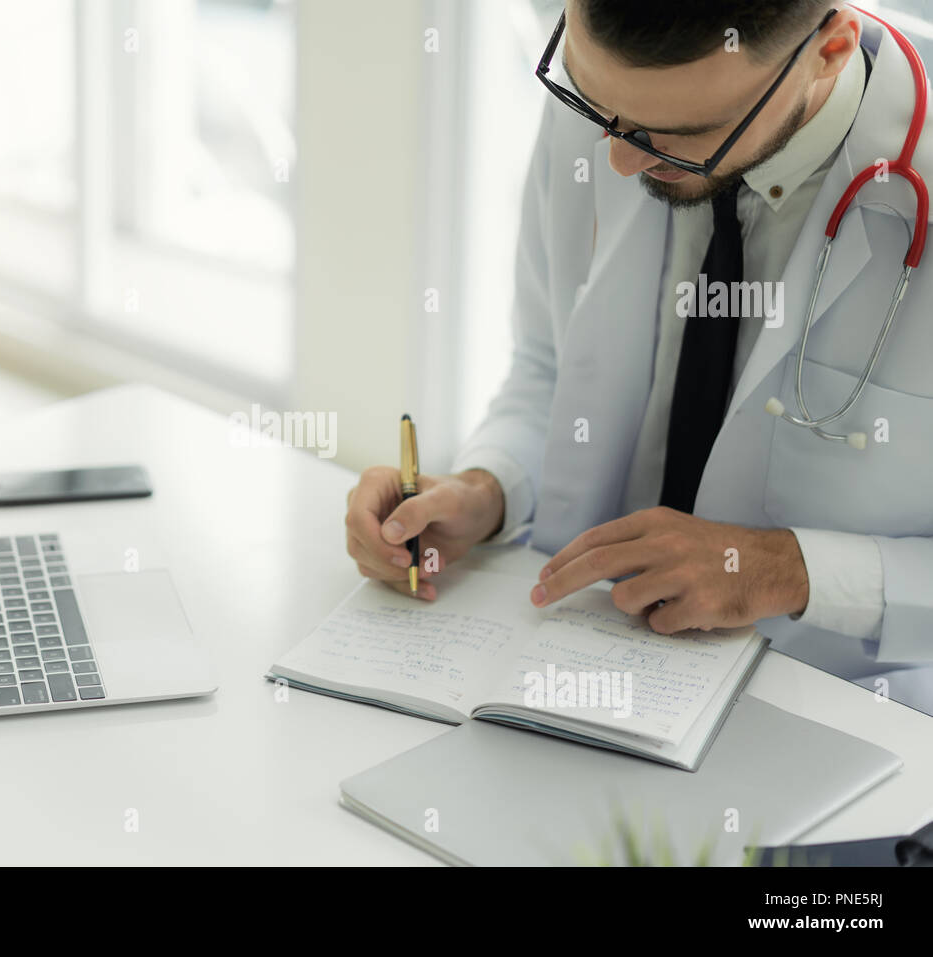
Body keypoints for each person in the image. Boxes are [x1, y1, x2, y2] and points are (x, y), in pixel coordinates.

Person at [343, 0, 933, 713]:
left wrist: (789, 571)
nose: (619, 158)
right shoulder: (619, 104)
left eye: (681, 135)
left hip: (839, 709)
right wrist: (486, 487)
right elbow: (546, 367)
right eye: (592, 102)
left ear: (829, 50)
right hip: (579, 669)